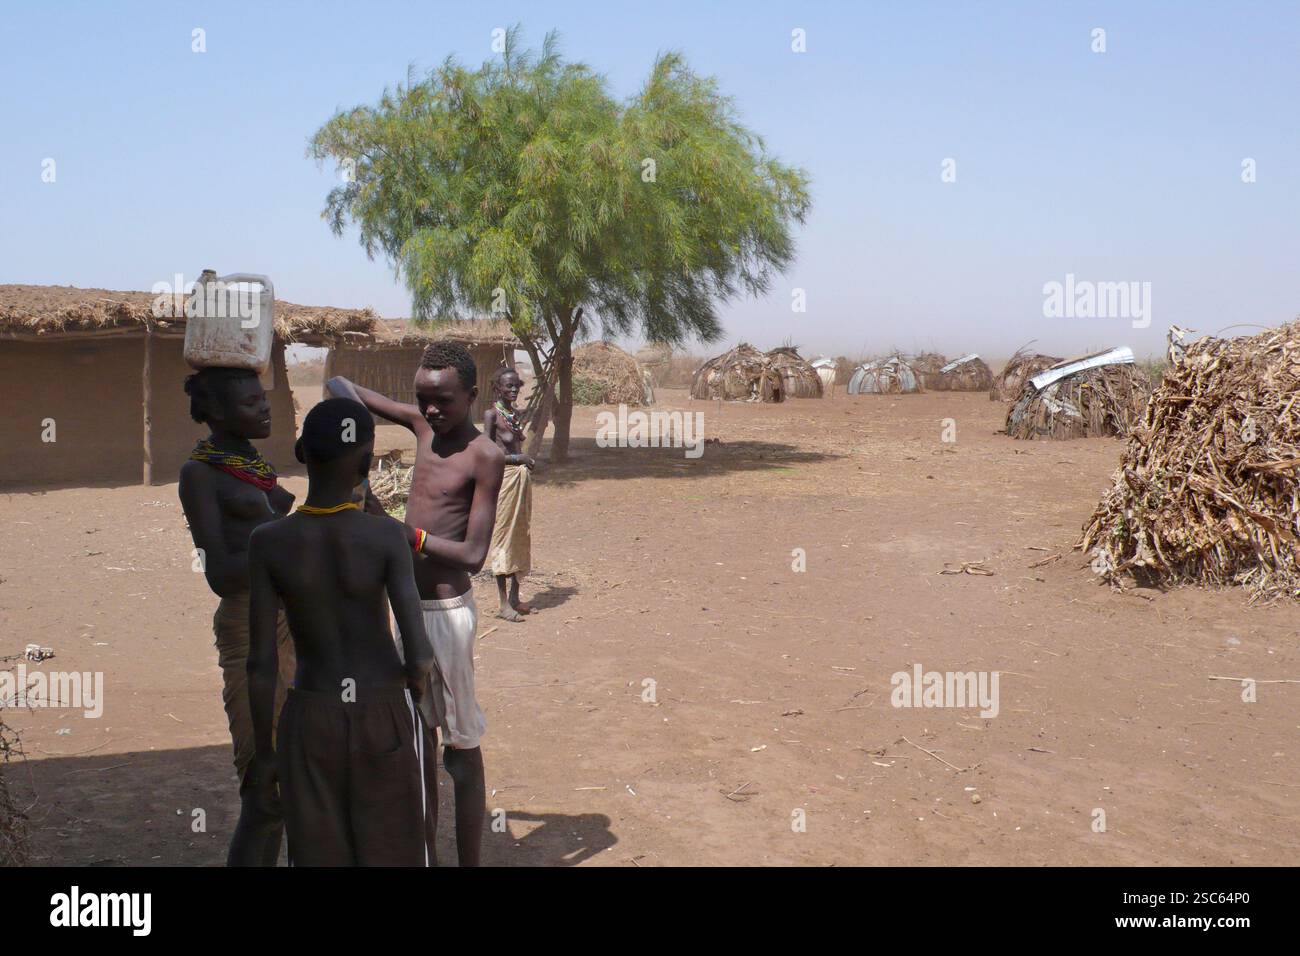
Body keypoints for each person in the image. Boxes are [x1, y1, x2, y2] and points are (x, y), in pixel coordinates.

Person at [326, 341, 504, 867]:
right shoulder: (423, 429)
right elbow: (342, 388)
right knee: (417, 745)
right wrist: (353, 444)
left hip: (446, 616)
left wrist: (407, 535)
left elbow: (473, 555)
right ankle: (424, 854)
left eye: (444, 400)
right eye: (422, 399)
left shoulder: (484, 457)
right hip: (405, 609)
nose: (430, 411)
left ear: (471, 395)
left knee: (460, 747)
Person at [246, 398, 437, 866]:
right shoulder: (386, 537)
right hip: (383, 711)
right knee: (395, 850)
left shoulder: (269, 542)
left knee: (318, 853)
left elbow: (262, 662)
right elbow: (419, 653)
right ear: (367, 463)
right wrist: (416, 691)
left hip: (311, 715)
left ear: (303, 454)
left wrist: (265, 752)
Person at [177, 366, 296, 866]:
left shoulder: (250, 464)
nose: (265, 408)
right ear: (219, 414)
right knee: (263, 790)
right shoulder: (201, 475)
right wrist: (276, 539)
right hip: (250, 626)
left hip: (291, 621)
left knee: (293, 781)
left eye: (263, 399)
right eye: (251, 404)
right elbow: (219, 575)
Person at [481, 366, 536, 622]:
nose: (513, 390)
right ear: (497, 388)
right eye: (508, 386)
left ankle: (515, 597)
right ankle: (503, 604)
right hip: (504, 480)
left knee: (521, 536)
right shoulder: (492, 415)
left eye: (516, 386)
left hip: (521, 479)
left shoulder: (514, 415)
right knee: (504, 537)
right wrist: (518, 457)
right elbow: (487, 454)